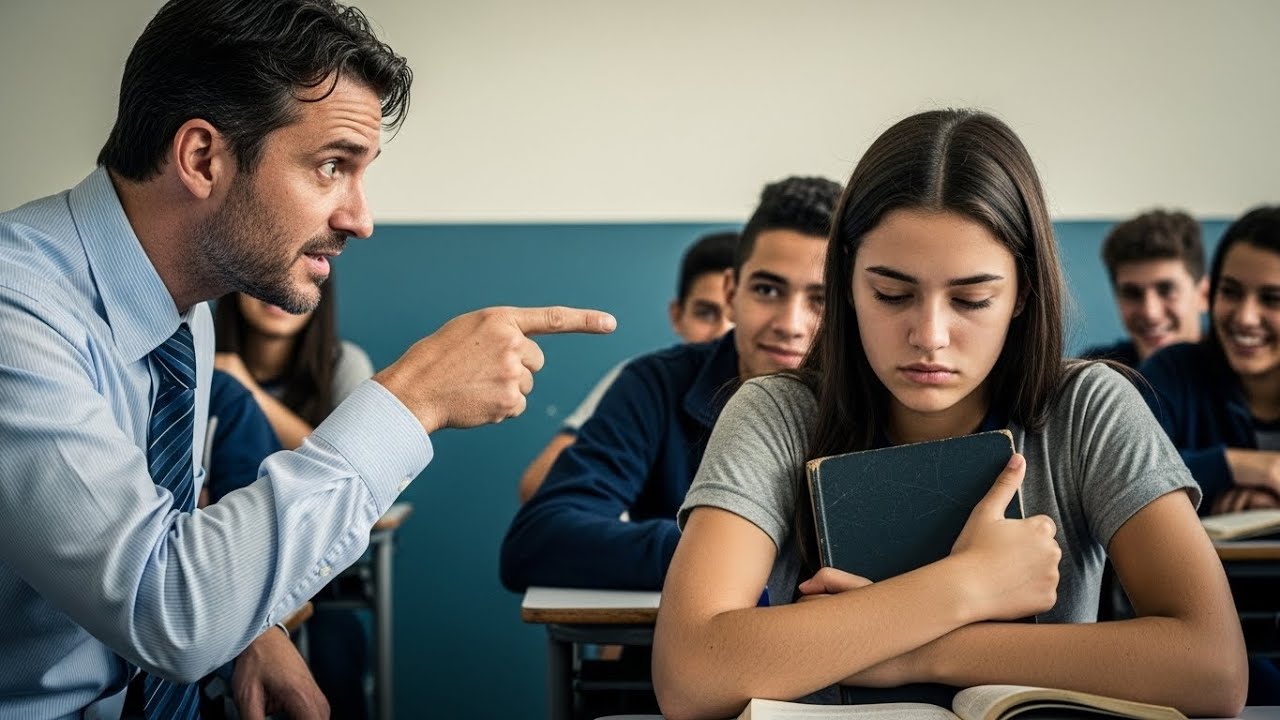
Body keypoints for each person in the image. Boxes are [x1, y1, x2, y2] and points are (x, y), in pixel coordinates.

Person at [0, 1, 613, 718]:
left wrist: (252, 633)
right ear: (202, 158)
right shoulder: (18, 312)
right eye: (331, 166)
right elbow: (163, 608)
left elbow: (152, 533)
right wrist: (411, 400)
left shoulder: (184, 312)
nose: (361, 217)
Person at [652, 110, 1245, 720]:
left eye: (971, 299)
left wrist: (915, 650)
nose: (930, 335)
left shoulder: (1088, 408)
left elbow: (1214, 669)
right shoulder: (775, 412)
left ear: (1022, 294)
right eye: (891, 294)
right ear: (848, 281)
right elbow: (691, 674)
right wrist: (969, 585)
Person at [500, 176, 840, 593]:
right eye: (767, 289)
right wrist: (723, 551)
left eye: (821, 300)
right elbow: (538, 542)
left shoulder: (879, 398)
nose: (790, 325)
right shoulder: (654, 384)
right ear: (732, 292)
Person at [214, 279, 378, 719]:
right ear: (235, 283)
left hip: (314, 573)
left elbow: (354, 470)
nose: (275, 296)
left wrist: (242, 391)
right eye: (264, 278)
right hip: (219, 561)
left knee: (332, 654)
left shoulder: (345, 363)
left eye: (296, 279)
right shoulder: (198, 357)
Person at [1138, 205, 1280, 703]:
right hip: (1200, 641)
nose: (1244, 317)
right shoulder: (1173, 372)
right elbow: (1131, 479)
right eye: (1231, 292)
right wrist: (1246, 466)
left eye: (1272, 299)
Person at [517, 230, 738, 503]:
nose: (723, 332)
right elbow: (539, 487)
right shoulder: (645, 381)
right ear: (677, 316)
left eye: (736, 314)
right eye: (705, 313)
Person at [1081, 209, 1208, 366]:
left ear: (1204, 295)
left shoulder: (1240, 378)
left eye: (1167, 290)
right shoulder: (1096, 372)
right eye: (1132, 293)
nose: (1150, 313)